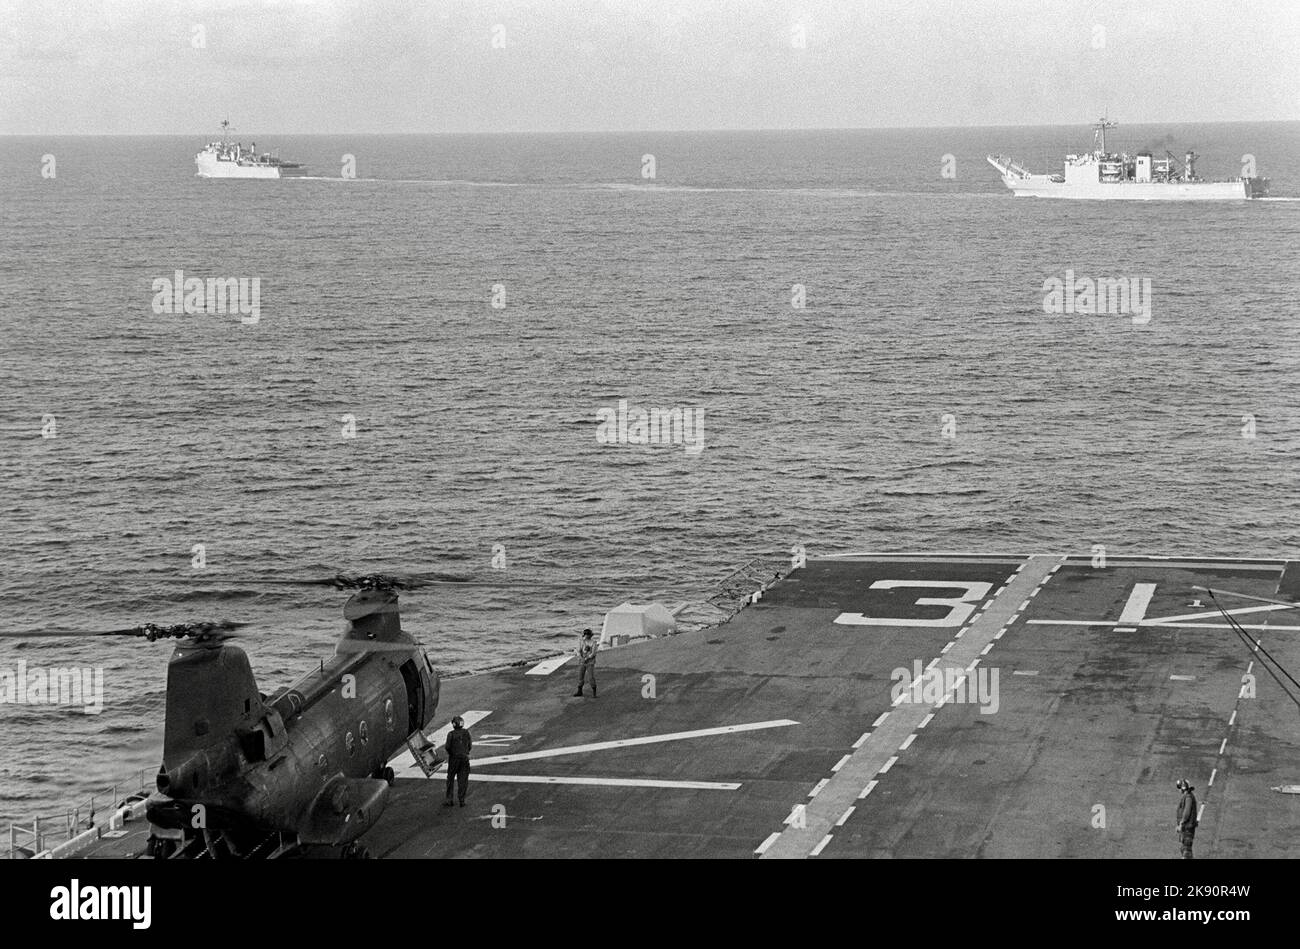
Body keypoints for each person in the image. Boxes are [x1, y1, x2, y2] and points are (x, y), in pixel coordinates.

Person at [443, 715, 472, 807]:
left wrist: (451, 753)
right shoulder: (466, 732)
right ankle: (462, 800)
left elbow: (447, 747)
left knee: (450, 779)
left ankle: (449, 799)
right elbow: (470, 746)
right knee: (463, 780)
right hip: (464, 759)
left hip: (454, 759)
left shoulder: (451, 734)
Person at [1175, 779, 1198, 859]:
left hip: (1187, 828)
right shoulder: (1187, 796)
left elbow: (1187, 812)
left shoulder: (1188, 797)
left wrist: (1181, 823)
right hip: (1186, 828)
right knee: (1184, 849)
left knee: (1186, 851)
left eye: (1179, 787)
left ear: (1182, 788)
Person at [573, 628, 598, 698]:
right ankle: (579, 691)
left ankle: (594, 693)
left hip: (590, 662)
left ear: (590, 635)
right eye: (585, 635)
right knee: (580, 677)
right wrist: (580, 657)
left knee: (591, 678)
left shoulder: (593, 643)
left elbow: (593, 653)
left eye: (587, 635)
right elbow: (578, 650)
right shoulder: (581, 641)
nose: (586, 636)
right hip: (582, 661)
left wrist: (587, 658)